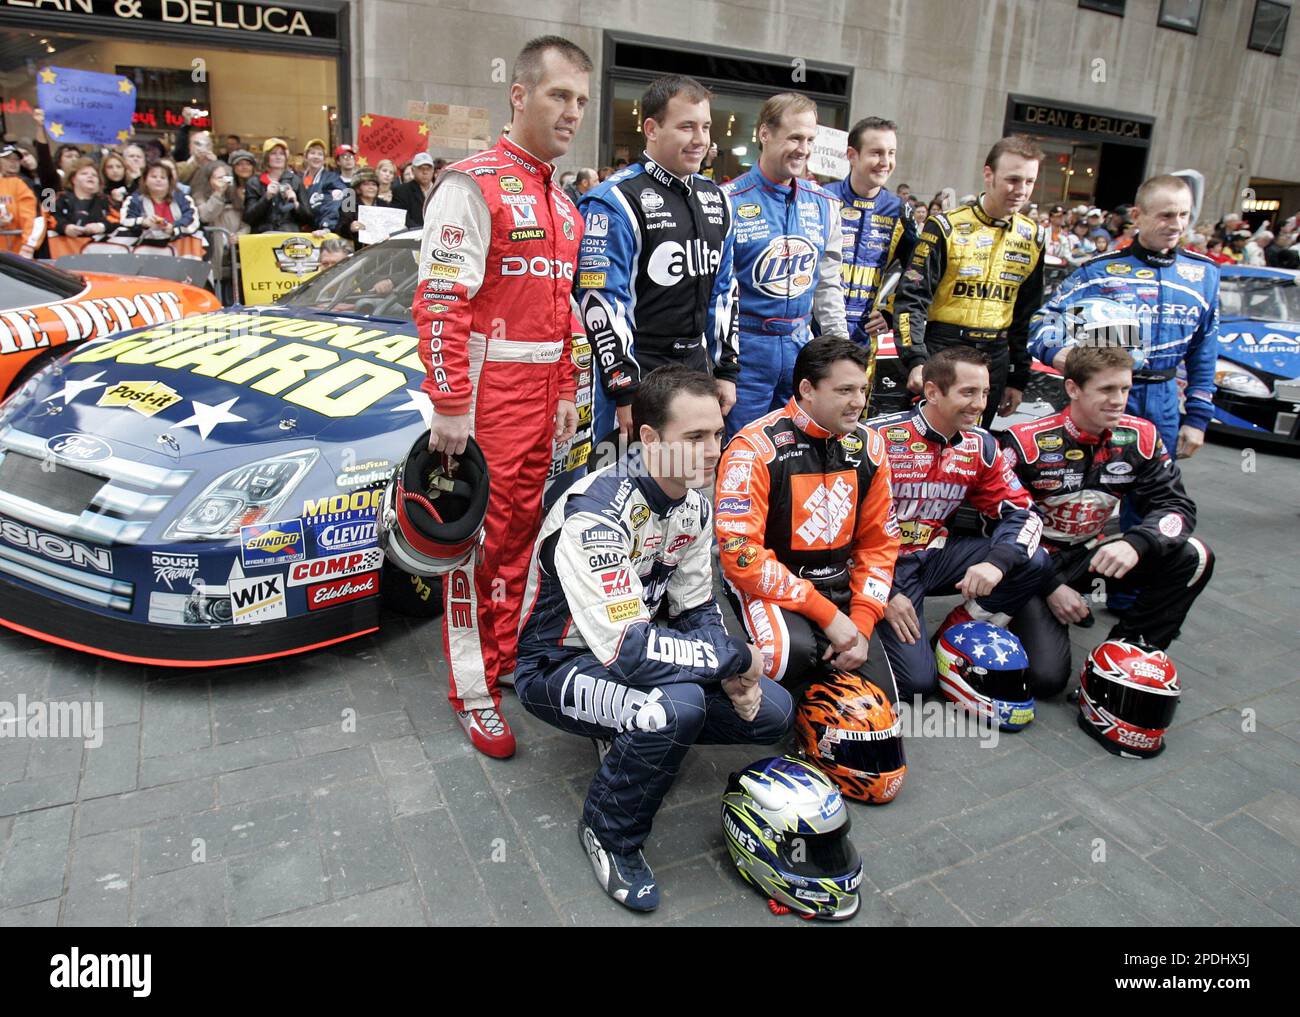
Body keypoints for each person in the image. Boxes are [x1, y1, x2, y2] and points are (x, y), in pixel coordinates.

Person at [515, 366, 791, 912]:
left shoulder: (693, 506)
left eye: (718, 432)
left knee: (773, 713)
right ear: (648, 439)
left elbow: (697, 607)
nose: (713, 451)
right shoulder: (593, 510)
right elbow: (632, 652)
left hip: (637, 648)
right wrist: (735, 655)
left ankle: (626, 731)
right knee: (673, 710)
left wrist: (735, 674)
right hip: (556, 664)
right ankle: (608, 832)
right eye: (694, 438)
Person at [413, 35, 591, 757]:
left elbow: (563, 313)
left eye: (581, 99)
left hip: (537, 409)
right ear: (518, 96)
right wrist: (452, 403)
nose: (572, 112)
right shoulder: (470, 184)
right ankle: (473, 688)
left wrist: (566, 392)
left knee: (520, 543)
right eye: (558, 95)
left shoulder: (566, 204)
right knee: (476, 552)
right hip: (484, 409)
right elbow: (440, 302)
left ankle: (506, 656)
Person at [1002, 346, 1214, 696]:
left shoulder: (1141, 437)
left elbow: (1177, 508)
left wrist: (1137, 542)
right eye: (1106, 390)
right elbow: (995, 527)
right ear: (1073, 389)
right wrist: (1050, 586)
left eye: (1125, 389)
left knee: (1194, 555)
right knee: (1046, 680)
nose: (1118, 400)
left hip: (1092, 553)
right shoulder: (1025, 443)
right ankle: (1025, 615)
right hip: (1033, 563)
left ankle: (1125, 656)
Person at [866, 347, 1050, 698]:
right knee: (916, 684)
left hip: (934, 558)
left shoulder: (981, 444)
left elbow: (1024, 513)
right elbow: (838, 524)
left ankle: (954, 634)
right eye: (968, 393)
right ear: (933, 392)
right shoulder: (877, 438)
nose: (980, 404)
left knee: (1033, 559)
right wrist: (882, 592)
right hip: (880, 568)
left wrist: (997, 563)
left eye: (983, 392)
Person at [716, 337, 899, 690]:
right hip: (769, 583)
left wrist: (860, 624)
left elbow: (880, 546)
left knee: (886, 701)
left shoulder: (871, 447)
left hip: (840, 584)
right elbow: (741, 556)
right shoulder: (753, 448)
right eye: (845, 390)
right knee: (785, 657)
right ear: (807, 389)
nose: (858, 402)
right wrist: (827, 616)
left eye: (862, 389)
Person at [575, 74, 738, 441]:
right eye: (686, 127)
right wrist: (622, 386)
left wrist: (727, 369)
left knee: (688, 478)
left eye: (706, 127)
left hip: (695, 368)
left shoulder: (717, 199)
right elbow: (601, 302)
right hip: (639, 370)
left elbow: (725, 292)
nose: (701, 140)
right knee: (627, 485)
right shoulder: (614, 201)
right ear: (651, 128)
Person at [1031, 174, 1219, 463]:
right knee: (1091, 494)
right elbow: (1042, 322)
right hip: (1103, 394)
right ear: (1137, 215)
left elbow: (1204, 350)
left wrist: (1197, 418)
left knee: (1153, 496)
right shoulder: (1098, 271)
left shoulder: (1203, 274)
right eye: (1166, 215)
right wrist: (1056, 352)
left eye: (1184, 215)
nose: (1177, 225)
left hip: (1164, 398)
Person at [893, 135, 1046, 428]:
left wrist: (1018, 377)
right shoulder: (945, 226)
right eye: (1013, 179)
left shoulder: (1034, 237)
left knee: (973, 447)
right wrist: (915, 359)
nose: (1021, 190)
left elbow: (1027, 315)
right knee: (921, 440)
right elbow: (911, 297)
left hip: (996, 355)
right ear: (988, 174)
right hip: (944, 348)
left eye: (1029, 181)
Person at [722, 92, 848, 436]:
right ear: (765, 133)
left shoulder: (825, 203)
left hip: (800, 347)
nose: (803, 149)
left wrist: (840, 351)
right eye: (794, 137)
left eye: (809, 139)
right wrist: (722, 366)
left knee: (794, 451)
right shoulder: (727, 201)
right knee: (741, 451)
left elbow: (828, 285)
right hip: (746, 349)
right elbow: (717, 295)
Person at [826, 115, 917, 412]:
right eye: (876, 152)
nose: (885, 162)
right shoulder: (822, 198)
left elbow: (916, 272)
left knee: (851, 412)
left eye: (891, 153)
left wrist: (890, 312)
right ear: (852, 155)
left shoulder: (899, 210)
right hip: (817, 329)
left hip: (866, 335)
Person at [118, 160, 202, 249]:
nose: (158, 180)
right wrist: (143, 222)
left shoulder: (183, 199)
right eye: (154, 177)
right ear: (145, 180)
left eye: (163, 177)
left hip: (178, 247)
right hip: (143, 248)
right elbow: (125, 220)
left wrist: (173, 228)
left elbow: (192, 221)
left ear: (169, 182)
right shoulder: (134, 200)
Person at [243, 138, 311, 234]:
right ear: (266, 157)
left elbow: (309, 218)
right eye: (273, 153)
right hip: (263, 236)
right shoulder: (254, 183)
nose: (278, 157)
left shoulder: (296, 181)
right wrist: (266, 198)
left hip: (289, 237)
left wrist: (296, 204)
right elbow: (248, 218)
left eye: (282, 154)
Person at [51, 158, 110, 253]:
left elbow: (116, 220)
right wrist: (64, 227)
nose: (90, 176)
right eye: (84, 173)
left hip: (97, 254)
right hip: (63, 253)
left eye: (94, 175)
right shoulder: (58, 198)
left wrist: (101, 226)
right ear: (73, 179)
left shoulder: (106, 200)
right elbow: (47, 218)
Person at [0, 144, 45, 257]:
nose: (13, 162)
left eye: (16, 159)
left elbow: (35, 217)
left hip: (16, 254)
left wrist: (29, 245)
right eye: (8, 158)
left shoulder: (21, 183)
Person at [334, 169, 393, 247]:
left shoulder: (383, 204)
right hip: (357, 249)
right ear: (358, 188)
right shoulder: (349, 203)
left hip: (381, 248)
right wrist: (350, 227)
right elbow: (339, 228)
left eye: (374, 184)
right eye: (366, 184)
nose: (371, 187)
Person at [391, 151, 436, 228]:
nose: (425, 172)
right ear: (413, 170)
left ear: (433, 170)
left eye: (428, 169)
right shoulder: (401, 191)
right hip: (414, 235)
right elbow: (402, 218)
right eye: (421, 168)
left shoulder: (441, 191)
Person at [100, 151, 131, 221]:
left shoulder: (132, 190)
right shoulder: (100, 194)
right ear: (104, 170)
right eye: (110, 167)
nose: (115, 170)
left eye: (119, 167)